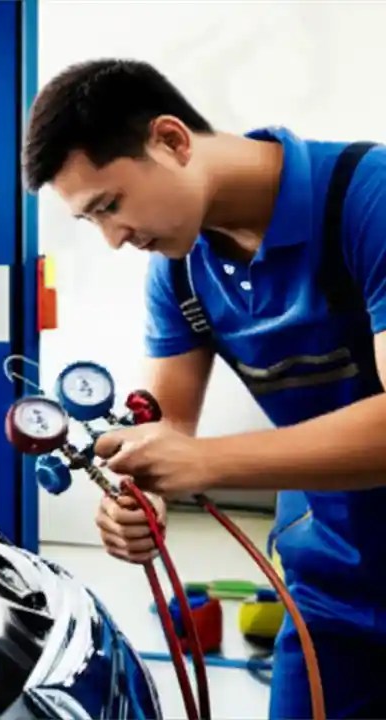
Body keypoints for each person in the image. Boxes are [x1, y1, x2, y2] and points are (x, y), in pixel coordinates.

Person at [21, 58, 386, 719]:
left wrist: (207, 462)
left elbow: (195, 455)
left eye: (111, 206)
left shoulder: (368, 199)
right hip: (331, 592)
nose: (114, 239)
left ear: (171, 139)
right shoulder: (182, 274)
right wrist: (139, 505)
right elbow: (165, 431)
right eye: (91, 222)